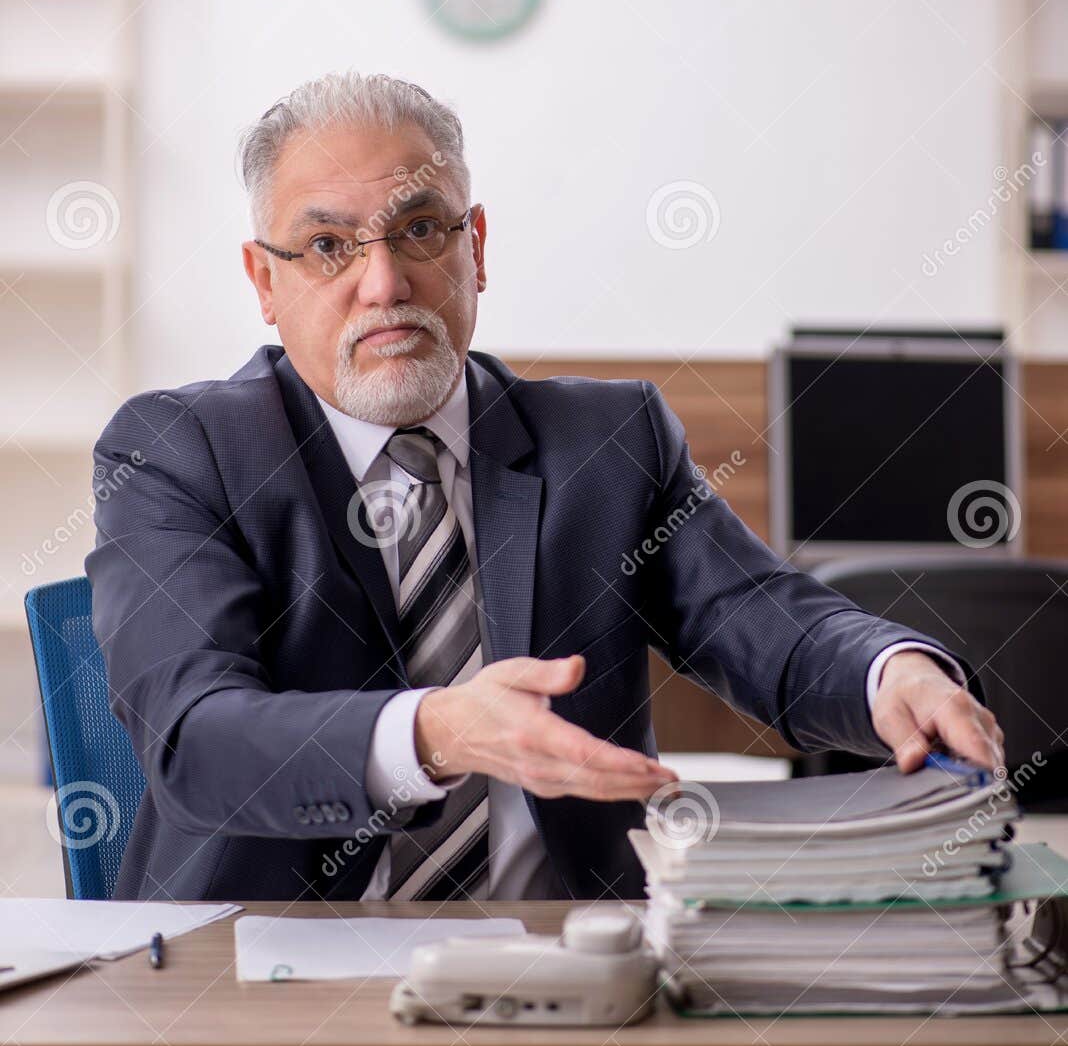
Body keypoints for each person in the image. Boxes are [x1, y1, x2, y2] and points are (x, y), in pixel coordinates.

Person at [86, 71, 1003, 902]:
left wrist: (890, 671)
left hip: (570, 955)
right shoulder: (177, 451)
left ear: (473, 247)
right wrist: (434, 733)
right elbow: (193, 737)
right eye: (327, 244)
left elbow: (760, 616)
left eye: (419, 229)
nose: (383, 281)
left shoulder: (609, 439)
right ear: (264, 281)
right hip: (254, 970)